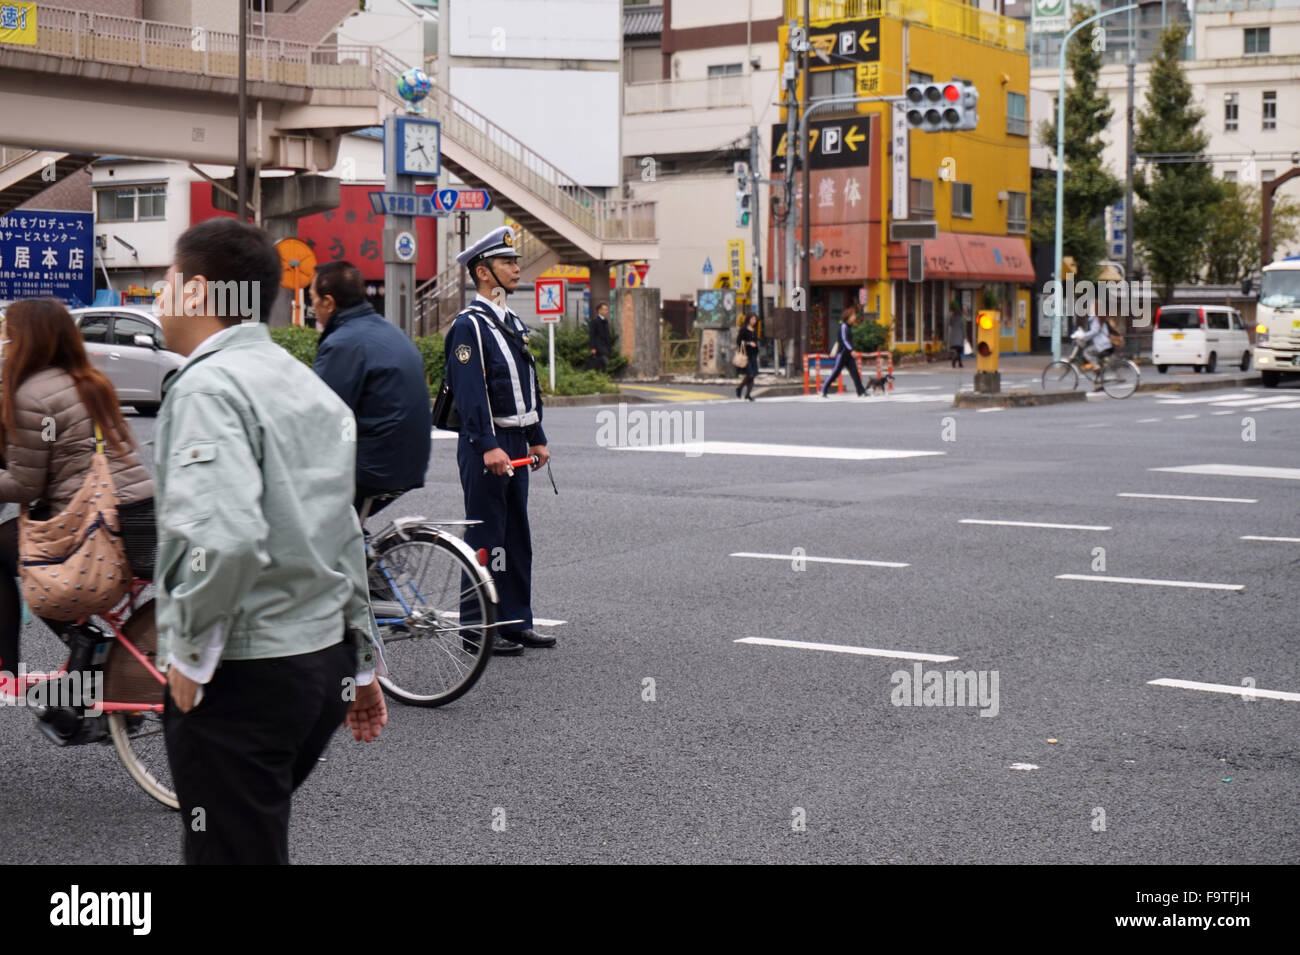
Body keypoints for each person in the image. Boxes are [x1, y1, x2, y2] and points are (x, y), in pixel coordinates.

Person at [154, 217, 388, 865]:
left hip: (245, 670)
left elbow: (223, 537)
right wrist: (363, 667)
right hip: (321, 663)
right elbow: (343, 532)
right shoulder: (302, 384)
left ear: (197, 291)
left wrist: (191, 655)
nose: (158, 294)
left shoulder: (208, 386)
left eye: (166, 281)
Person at [0, 300, 155, 736]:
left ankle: (8, 670)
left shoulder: (32, 394)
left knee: (15, 556)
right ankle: (92, 658)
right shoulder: (91, 381)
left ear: (28, 340)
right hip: (138, 520)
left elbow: (25, 486)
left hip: (95, 527)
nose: (5, 344)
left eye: (9, 335)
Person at [444, 226, 552, 656]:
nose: (516, 267)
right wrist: (488, 444)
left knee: (515, 535)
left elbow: (528, 384)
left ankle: (514, 620)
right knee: (487, 538)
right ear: (483, 272)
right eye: (507, 262)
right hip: (484, 444)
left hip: (516, 441)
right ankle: (476, 629)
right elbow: (471, 393)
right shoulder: (469, 326)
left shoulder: (511, 321)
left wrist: (537, 437)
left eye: (514, 260)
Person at [311, 260, 431, 519]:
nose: (312, 308)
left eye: (313, 299)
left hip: (374, 467)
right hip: (410, 462)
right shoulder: (390, 332)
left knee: (305, 510)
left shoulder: (343, 343)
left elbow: (319, 415)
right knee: (343, 526)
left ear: (328, 303)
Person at [819, 304, 866, 397]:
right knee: (835, 373)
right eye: (853, 315)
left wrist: (851, 351)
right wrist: (851, 350)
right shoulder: (843, 326)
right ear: (848, 316)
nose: (854, 317)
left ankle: (861, 392)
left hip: (848, 355)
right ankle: (823, 390)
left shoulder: (849, 327)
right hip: (843, 354)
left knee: (855, 373)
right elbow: (844, 340)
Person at [1081, 309, 1116, 391]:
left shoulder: (1095, 318)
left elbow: (1094, 331)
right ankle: (1099, 385)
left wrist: (1083, 336)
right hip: (1107, 344)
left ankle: (1097, 369)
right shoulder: (1101, 317)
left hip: (1102, 345)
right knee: (1097, 363)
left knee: (1086, 352)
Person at [735, 312, 759, 401]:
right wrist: (749, 343)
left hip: (753, 355)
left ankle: (747, 394)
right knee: (750, 374)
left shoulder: (754, 330)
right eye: (752, 319)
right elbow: (738, 341)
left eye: (755, 320)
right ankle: (740, 388)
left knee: (753, 375)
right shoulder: (743, 330)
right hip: (746, 355)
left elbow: (756, 344)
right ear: (748, 319)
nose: (754, 321)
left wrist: (757, 355)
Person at [588, 301, 612, 372]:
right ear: (599, 310)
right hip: (598, 346)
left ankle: (603, 377)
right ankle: (599, 377)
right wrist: (592, 347)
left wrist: (609, 345)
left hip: (605, 345)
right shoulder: (595, 321)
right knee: (601, 362)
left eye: (607, 309)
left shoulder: (605, 321)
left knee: (604, 363)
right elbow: (592, 335)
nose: (606, 311)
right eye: (605, 309)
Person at [946, 302, 966, 369]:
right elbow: (963, 329)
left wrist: (950, 315)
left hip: (953, 337)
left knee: (956, 351)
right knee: (959, 351)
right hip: (959, 337)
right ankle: (955, 360)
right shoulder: (962, 319)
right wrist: (965, 337)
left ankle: (960, 363)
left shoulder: (952, 319)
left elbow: (949, 324)